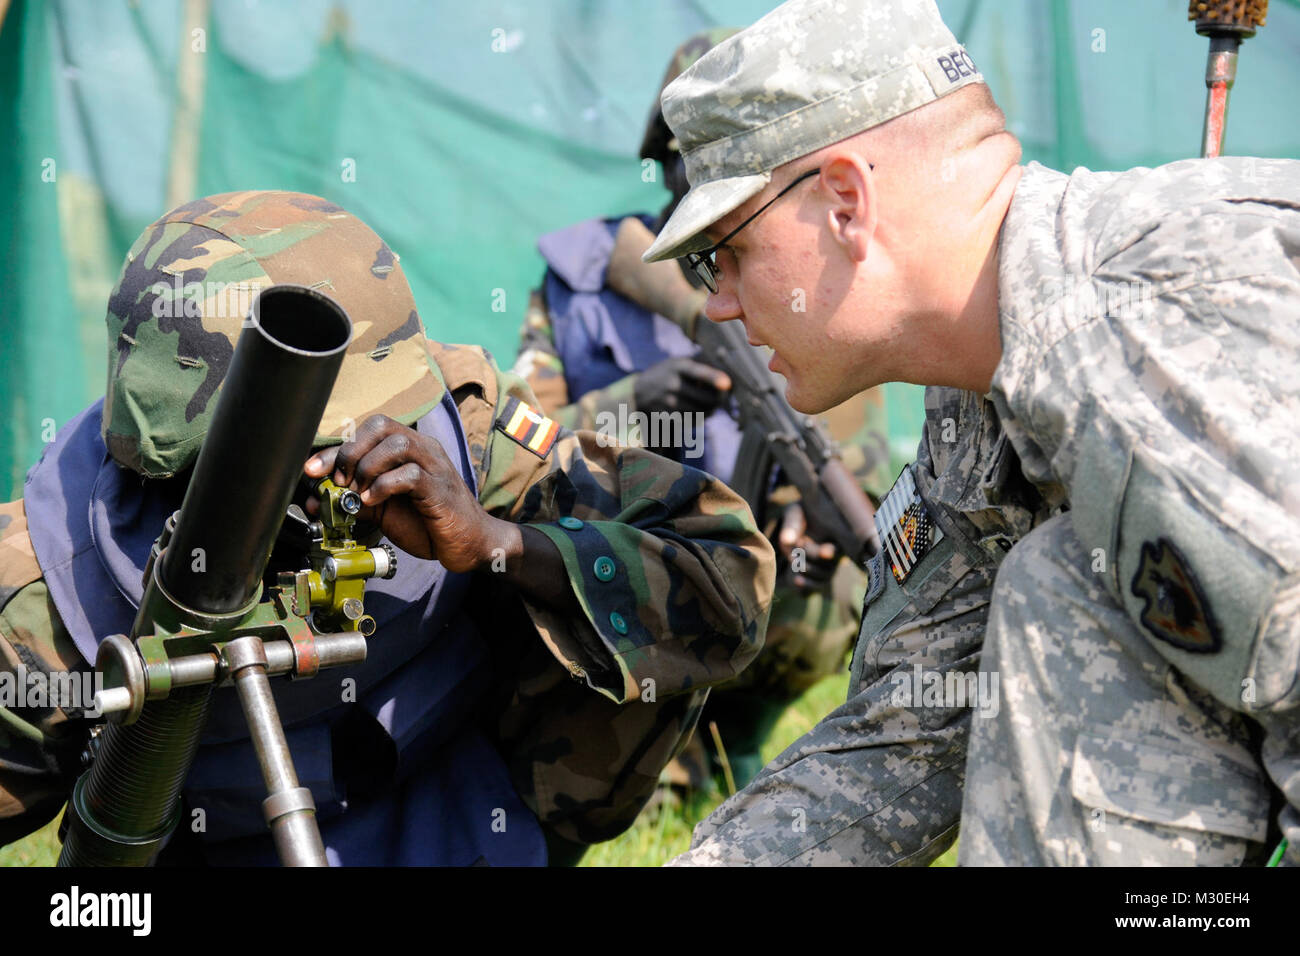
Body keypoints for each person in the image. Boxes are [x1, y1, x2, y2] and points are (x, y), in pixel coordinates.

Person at [642, 0, 1300, 866]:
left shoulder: (1141, 331)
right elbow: (907, 735)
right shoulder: (986, 396)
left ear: (846, 202)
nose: (717, 299)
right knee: (1058, 592)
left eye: (721, 251)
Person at [0, 190, 774, 866]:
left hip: (462, 813)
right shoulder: (47, 584)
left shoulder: (460, 438)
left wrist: (498, 546)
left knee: (622, 596)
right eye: (317, 450)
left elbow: (726, 576)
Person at [514, 29, 893, 790]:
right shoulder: (586, 281)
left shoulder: (809, 281)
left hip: (744, 563)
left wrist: (798, 517)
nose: (708, 173)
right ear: (664, 155)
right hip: (615, 546)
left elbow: (855, 452)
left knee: (844, 579)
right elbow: (516, 443)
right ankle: (626, 760)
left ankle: (729, 743)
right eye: (693, 149)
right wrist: (633, 404)